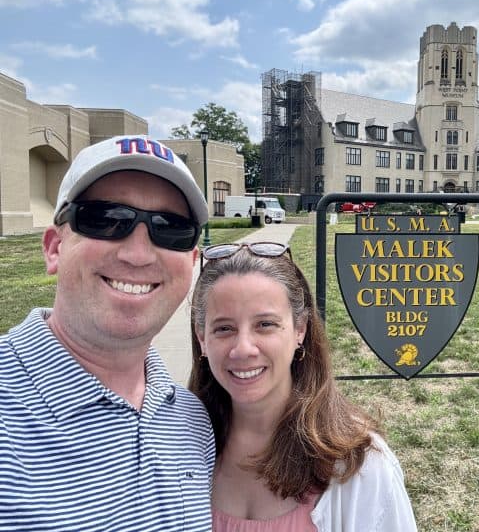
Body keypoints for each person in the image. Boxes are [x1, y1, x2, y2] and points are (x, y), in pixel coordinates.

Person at [0, 135, 215, 530]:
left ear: (191, 262)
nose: (138, 253)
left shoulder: (192, 421)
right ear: (54, 248)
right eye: (106, 219)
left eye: (170, 228)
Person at [188, 242, 418, 531]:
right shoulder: (176, 447)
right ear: (202, 338)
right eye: (224, 328)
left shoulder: (360, 466)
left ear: (301, 329)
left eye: (265, 324)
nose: (243, 348)